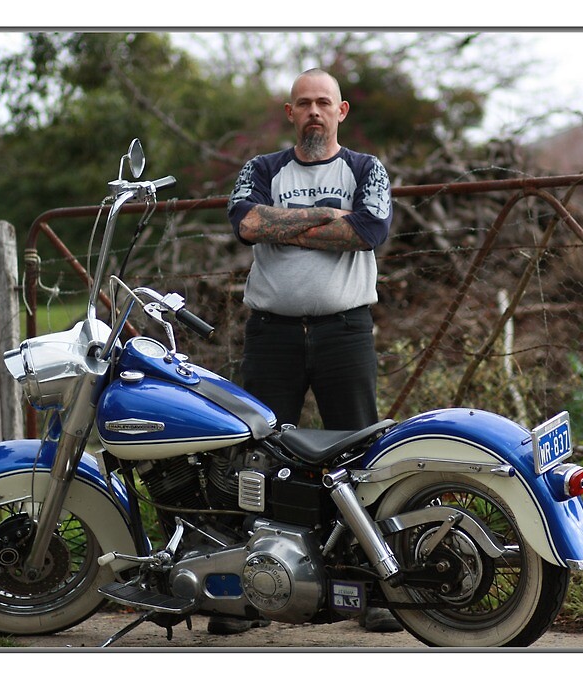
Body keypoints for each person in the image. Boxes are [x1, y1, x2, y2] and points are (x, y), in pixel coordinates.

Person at [215, 68, 401, 635]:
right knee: (256, 454)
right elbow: (247, 222)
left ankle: (375, 592)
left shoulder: (367, 170)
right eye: (304, 103)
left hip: (344, 332)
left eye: (324, 102)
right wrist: (328, 217)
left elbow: (368, 232)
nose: (314, 111)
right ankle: (245, 595)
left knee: (361, 454)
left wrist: (284, 225)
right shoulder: (263, 168)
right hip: (272, 334)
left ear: (342, 111)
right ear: (290, 112)